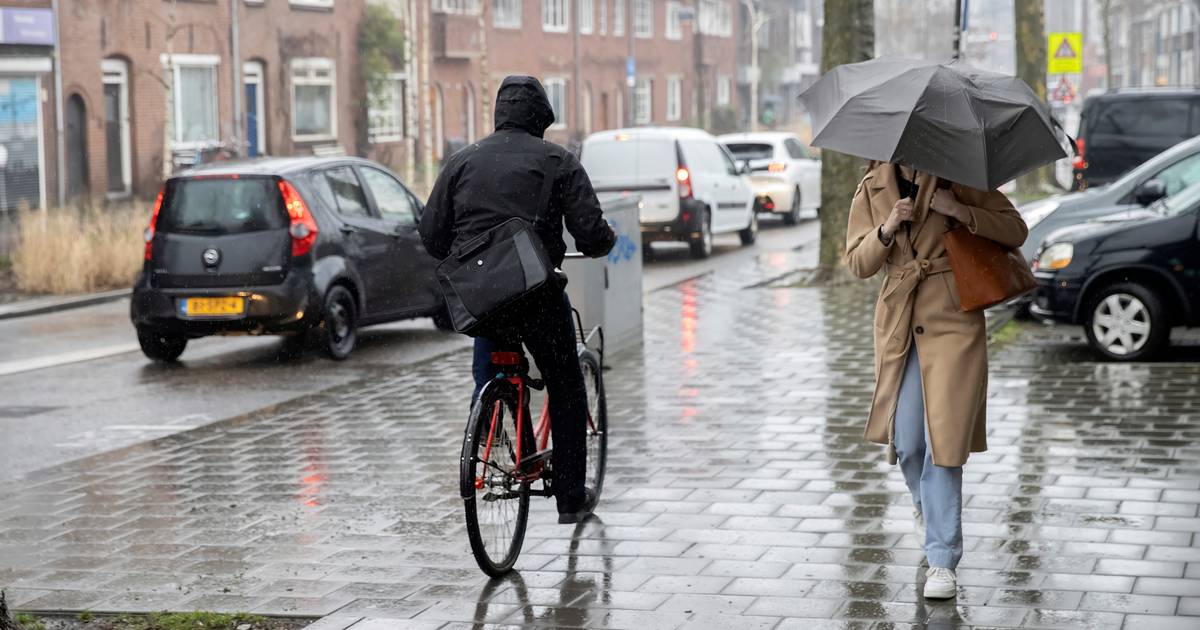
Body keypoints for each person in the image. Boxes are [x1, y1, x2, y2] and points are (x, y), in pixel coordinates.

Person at [420, 76, 616, 524]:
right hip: (538, 297)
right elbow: (591, 233)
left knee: (489, 371)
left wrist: (474, 253)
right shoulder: (558, 161)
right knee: (566, 387)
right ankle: (569, 496)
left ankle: (492, 432)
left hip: (484, 300)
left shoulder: (461, 162)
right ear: (541, 118)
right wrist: (604, 241)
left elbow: (431, 235)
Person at [845, 162, 1027, 600]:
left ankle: (943, 559)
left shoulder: (958, 175)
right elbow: (857, 263)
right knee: (907, 442)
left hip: (953, 316)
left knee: (943, 441)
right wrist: (887, 228)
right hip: (899, 322)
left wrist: (961, 210)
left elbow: (1015, 230)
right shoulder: (873, 186)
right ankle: (928, 510)